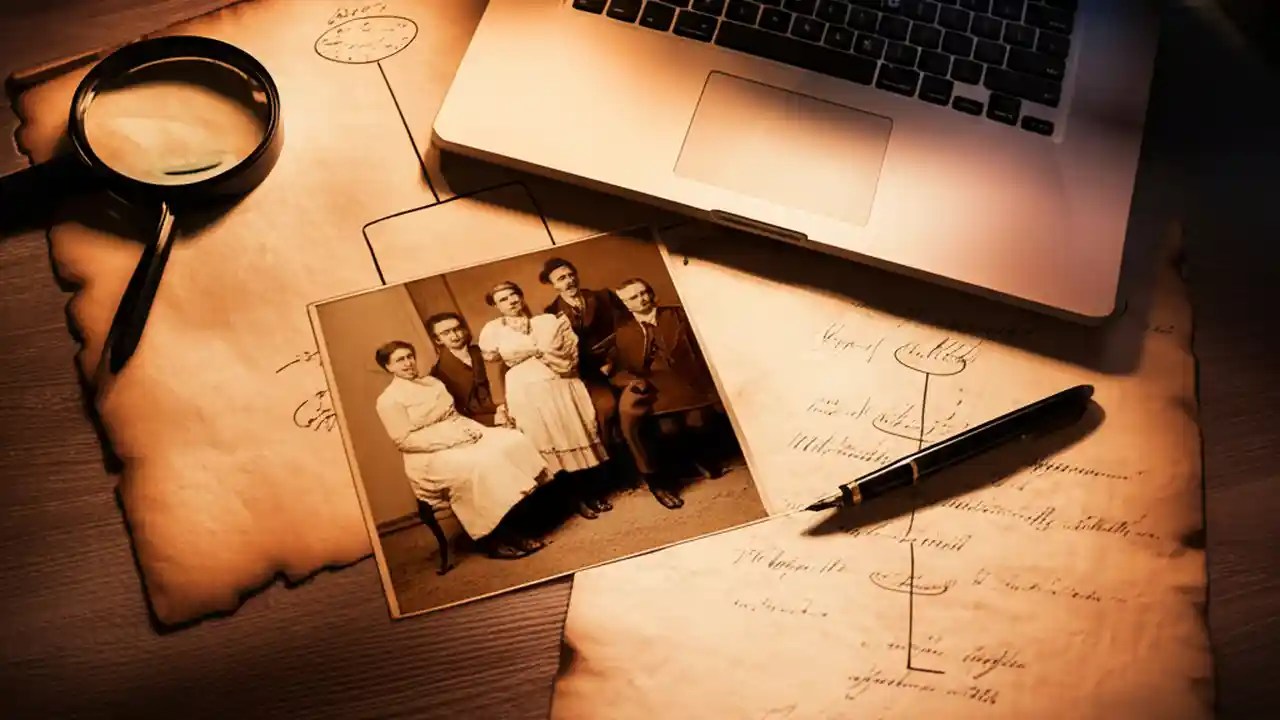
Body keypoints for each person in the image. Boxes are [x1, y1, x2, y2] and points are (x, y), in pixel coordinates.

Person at [374, 340, 549, 564]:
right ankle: (492, 538)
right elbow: (404, 440)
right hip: (428, 453)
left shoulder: (432, 383)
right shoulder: (388, 400)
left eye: (410, 356)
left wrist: (469, 431)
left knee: (512, 441)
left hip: (461, 430)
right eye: (400, 360)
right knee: (480, 465)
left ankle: (516, 522)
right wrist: (451, 440)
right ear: (388, 367)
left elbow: (453, 414)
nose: (408, 363)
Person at [477, 280, 613, 519]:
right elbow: (493, 362)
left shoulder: (546, 322)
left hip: (558, 383)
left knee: (570, 434)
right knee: (550, 441)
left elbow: (569, 352)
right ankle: (576, 500)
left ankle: (590, 492)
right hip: (525, 390)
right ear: (497, 306)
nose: (511, 302)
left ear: (521, 296)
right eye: (503, 300)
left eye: (513, 295)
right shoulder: (494, 331)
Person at [608, 277, 722, 509]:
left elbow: (700, 347)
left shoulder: (677, 315)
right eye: (633, 297)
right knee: (667, 429)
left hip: (685, 377)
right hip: (654, 383)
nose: (642, 299)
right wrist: (632, 381)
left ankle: (699, 457)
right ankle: (672, 473)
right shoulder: (624, 331)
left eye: (643, 292)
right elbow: (620, 369)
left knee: (698, 422)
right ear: (625, 304)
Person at [538, 257, 627, 443]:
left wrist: (611, 360)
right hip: (588, 374)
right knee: (607, 408)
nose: (569, 280)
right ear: (553, 285)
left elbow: (627, 330)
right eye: (561, 278)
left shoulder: (604, 297)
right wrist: (595, 368)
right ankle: (615, 457)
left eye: (571, 275)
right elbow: (562, 351)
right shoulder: (551, 314)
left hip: (621, 363)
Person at [425, 312, 501, 427]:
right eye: (446, 333)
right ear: (438, 340)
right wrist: (492, 419)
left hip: (507, 409)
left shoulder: (484, 352)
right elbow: (454, 413)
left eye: (457, 329)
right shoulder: (438, 374)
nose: (454, 335)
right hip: (477, 426)